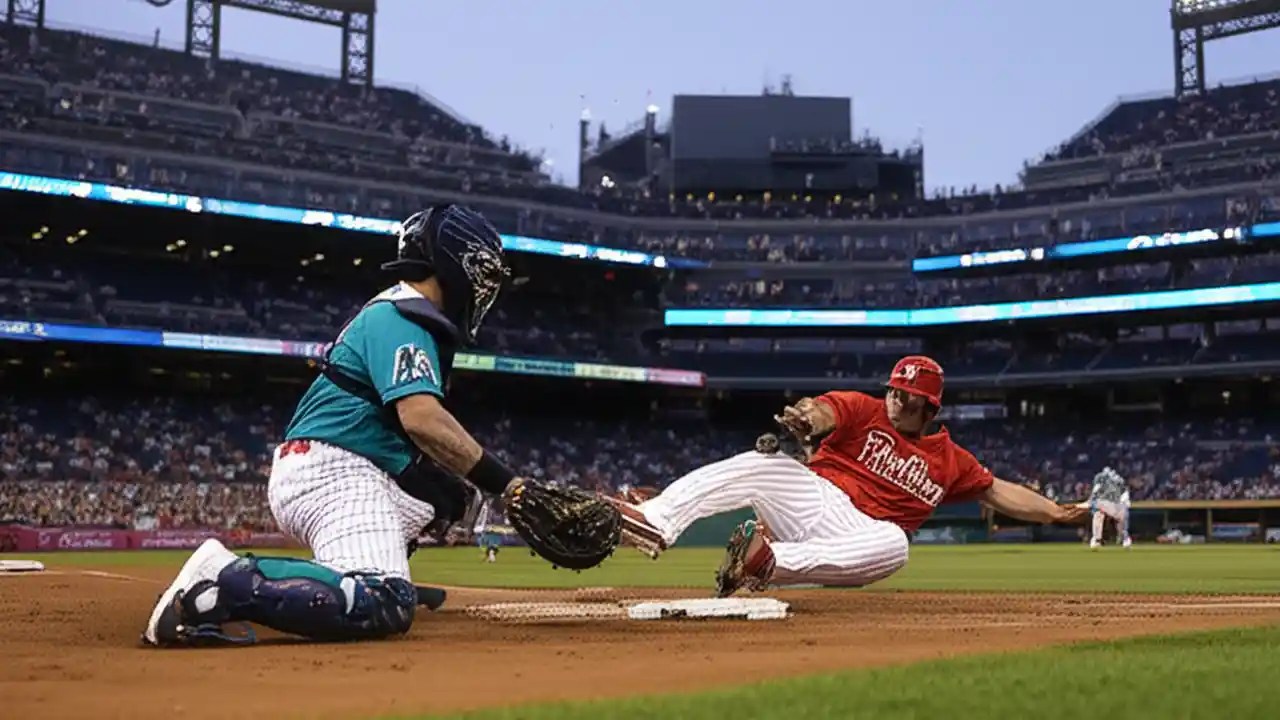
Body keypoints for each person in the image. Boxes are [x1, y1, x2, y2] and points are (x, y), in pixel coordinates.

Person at [142, 204, 524, 647]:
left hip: (341, 464)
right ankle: (220, 579)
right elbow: (421, 419)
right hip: (333, 469)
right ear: (452, 260)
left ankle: (363, 564)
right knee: (383, 600)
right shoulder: (402, 316)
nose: (484, 284)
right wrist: (508, 484)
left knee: (444, 495)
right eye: (480, 268)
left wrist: (455, 487)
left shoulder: (410, 319)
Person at [609, 356, 1089, 597]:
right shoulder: (863, 408)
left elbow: (1000, 492)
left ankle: (763, 564)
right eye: (895, 391)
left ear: (930, 406)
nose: (897, 400)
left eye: (908, 397)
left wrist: (1059, 513)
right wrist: (807, 419)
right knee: (766, 463)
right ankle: (655, 520)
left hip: (865, 534)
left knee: (898, 546)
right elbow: (824, 412)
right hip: (817, 496)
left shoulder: (952, 461)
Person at [1088, 466, 1131, 549]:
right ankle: (1097, 539)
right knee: (1098, 515)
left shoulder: (1119, 481)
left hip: (1116, 502)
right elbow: (1095, 493)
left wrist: (1124, 503)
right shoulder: (1100, 480)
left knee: (1121, 518)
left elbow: (1124, 492)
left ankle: (1125, 538)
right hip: (1104, 503)